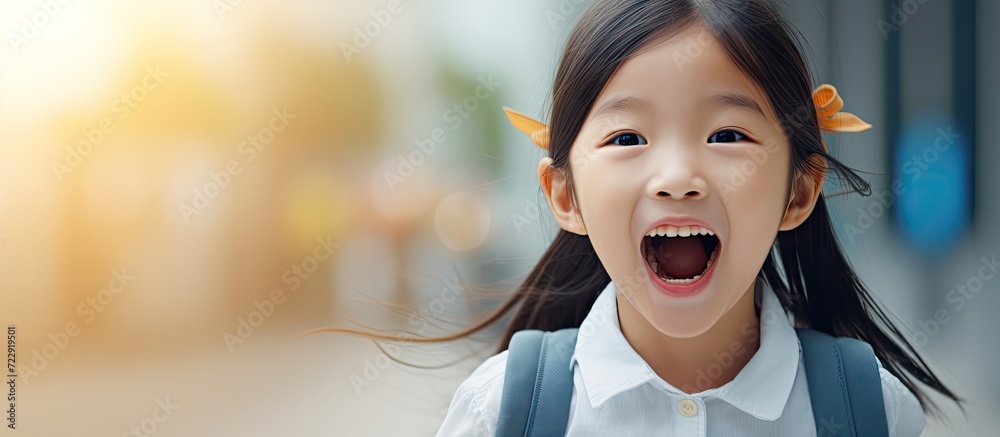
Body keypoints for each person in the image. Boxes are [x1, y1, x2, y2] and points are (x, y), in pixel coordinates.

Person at [434, 0, 960, 435]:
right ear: (565, 195)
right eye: (627, 138)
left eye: (728, 136)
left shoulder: (874, 413)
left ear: (798, 192)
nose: (678, 176)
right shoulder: (497, 411)